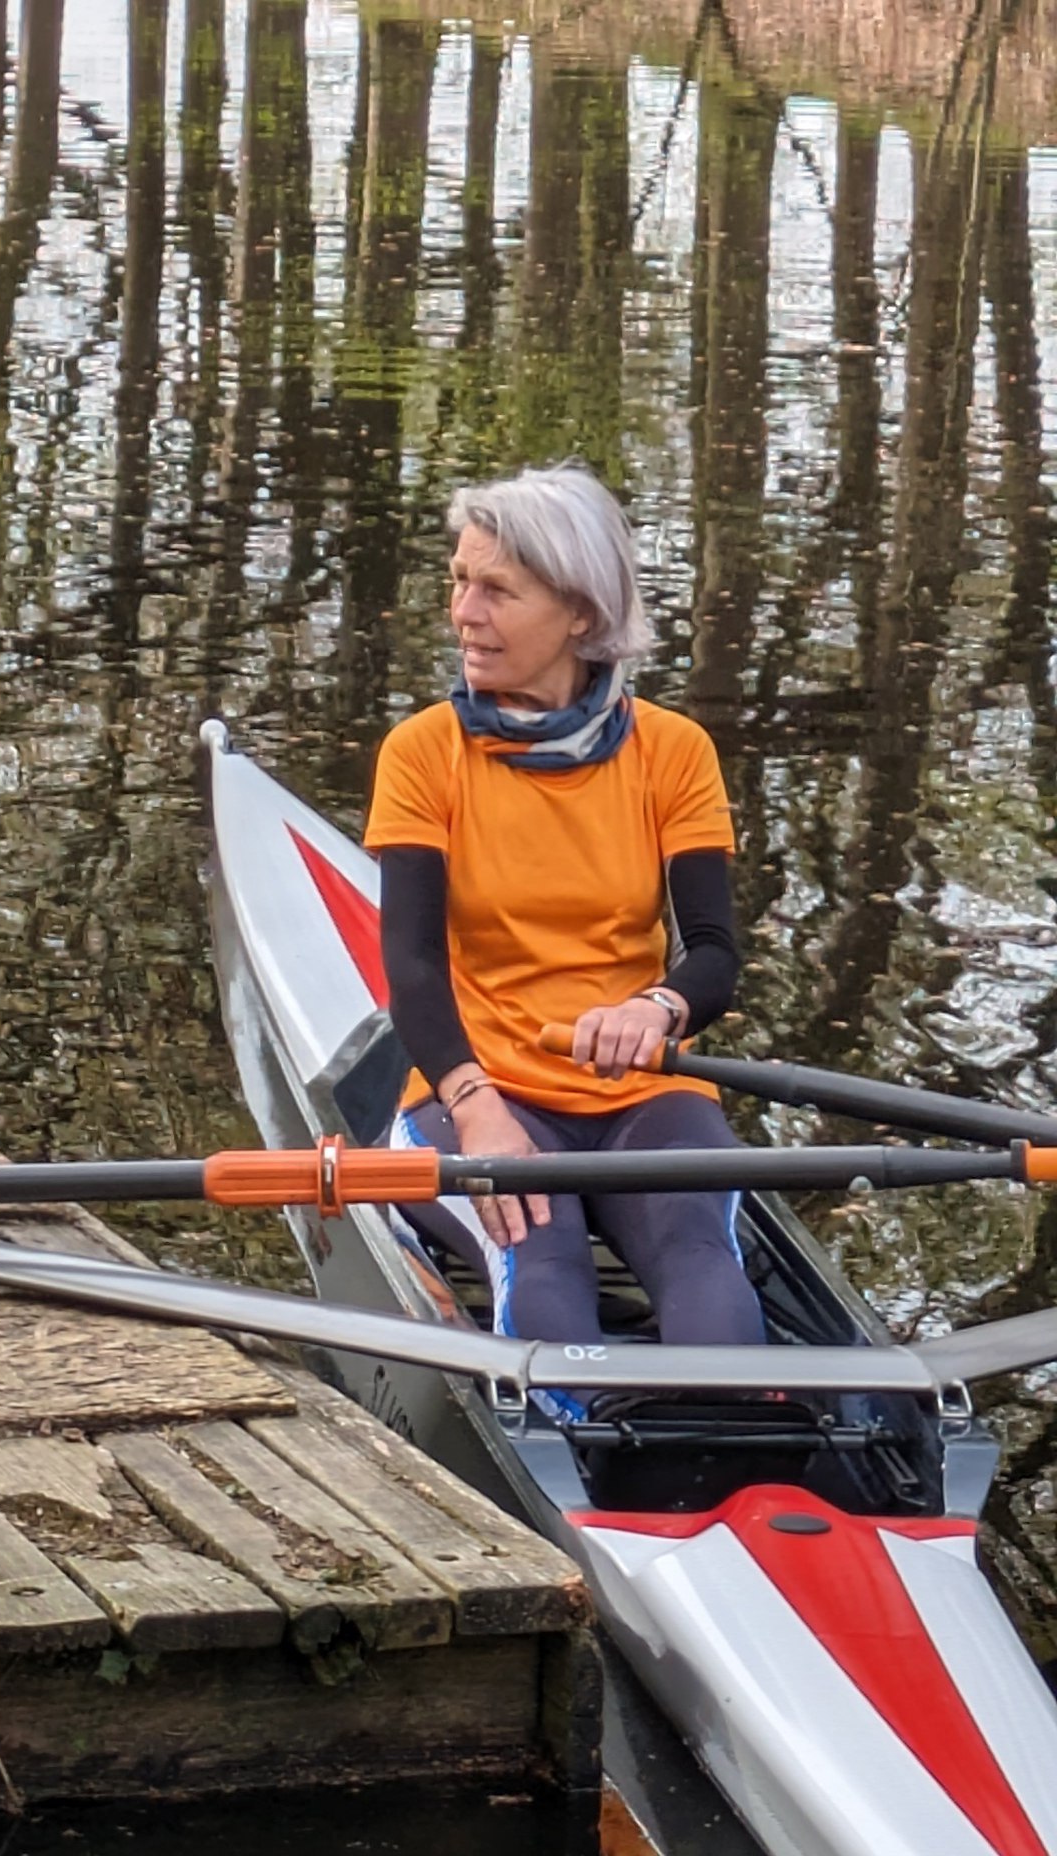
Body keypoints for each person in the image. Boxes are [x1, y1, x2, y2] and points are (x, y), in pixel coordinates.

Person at [364, 464, 764, 1385]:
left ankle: (735, 1456)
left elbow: (713, 956)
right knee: (546, 1269)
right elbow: (414, 971)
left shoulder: (674, 752)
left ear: (582, 615)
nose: (465, 611)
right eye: (460, 580)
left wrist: (659, 1008)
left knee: (702, 1271)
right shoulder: (425, 753)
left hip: (643, 1096)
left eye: (497, 590)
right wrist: (480, 1112)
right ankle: (578, 1463)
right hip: (479, 1089)